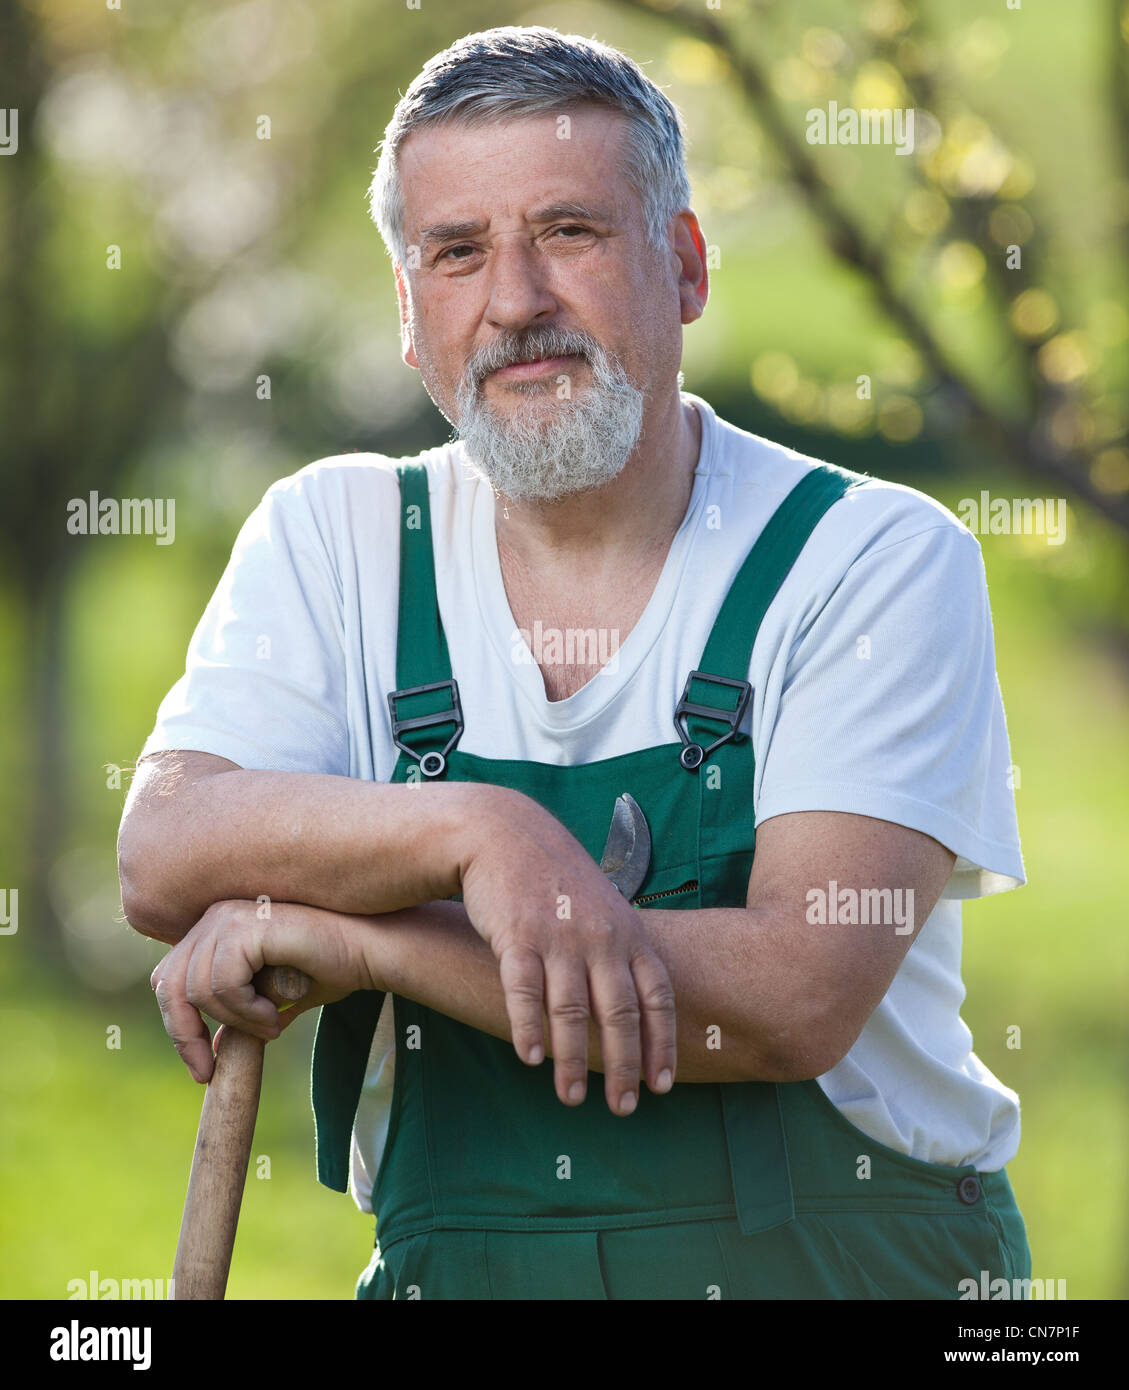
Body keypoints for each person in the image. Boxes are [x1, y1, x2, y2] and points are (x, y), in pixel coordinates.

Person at [119, 26, 1031, 1300]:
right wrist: (484, 838)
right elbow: (164, 850)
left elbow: (789, 997)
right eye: (455, 252)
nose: (513, 302)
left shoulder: (868, 557)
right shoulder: (339, 537)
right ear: (406, 312)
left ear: (687, 265)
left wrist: (361, 937)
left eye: (569, 232)